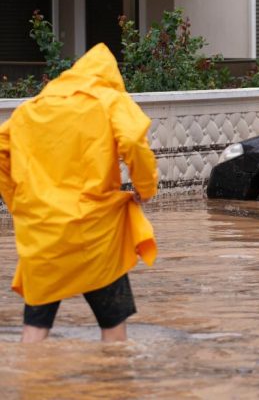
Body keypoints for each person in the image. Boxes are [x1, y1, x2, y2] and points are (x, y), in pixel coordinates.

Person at [0, 43, 159, 342]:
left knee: (36, 325)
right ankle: (113, 372)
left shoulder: (31, 109)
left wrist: (19, 203)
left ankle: (28, 372)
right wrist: (145, 187)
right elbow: (133, 142)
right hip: (95, 233)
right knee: (113, 322)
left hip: (43, 233)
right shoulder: (110, 100)